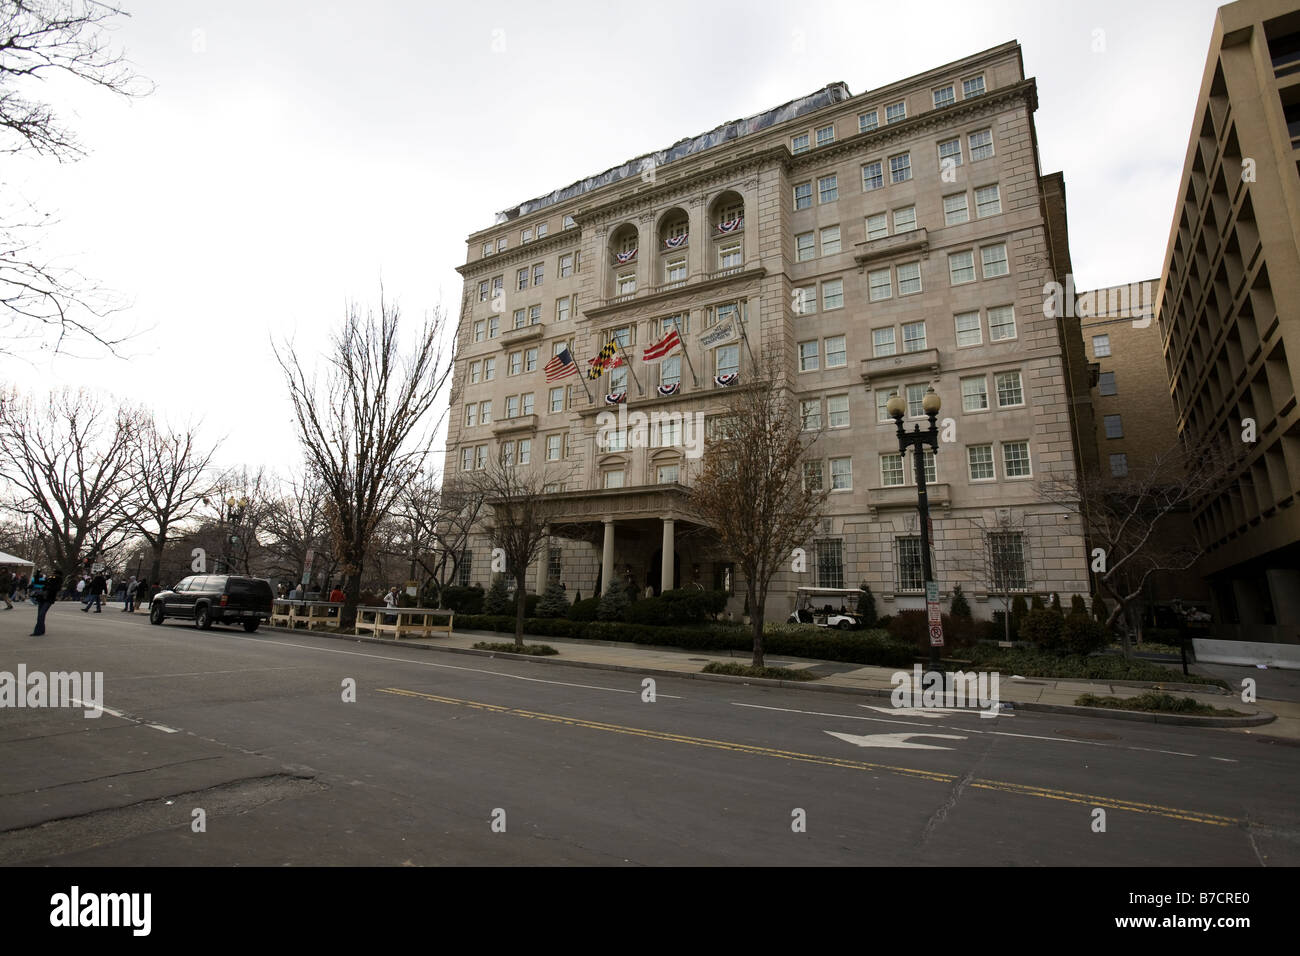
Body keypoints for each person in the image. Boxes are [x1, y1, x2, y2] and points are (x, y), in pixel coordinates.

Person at [30, 569, 63, 636]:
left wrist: (49, 586)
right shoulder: (49, 579)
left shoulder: (58, 580)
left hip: (49, 599)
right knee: (40, 615)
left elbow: (56, 588)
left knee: (41, 615)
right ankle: (41, 630)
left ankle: (38, 631)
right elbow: (37, 582)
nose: (53, 575)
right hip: (43, 598)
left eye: (54, 574)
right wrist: (38, 574)